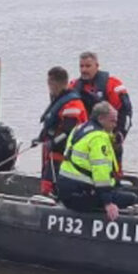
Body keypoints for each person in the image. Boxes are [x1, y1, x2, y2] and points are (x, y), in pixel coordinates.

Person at [57, 102, 138, 222]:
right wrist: (108, 203)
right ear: (101, 119)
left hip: (66, 190)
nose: (115, 125)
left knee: (121, 190)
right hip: (81, 193)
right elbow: (101, 174)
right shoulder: (99, 138)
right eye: (112, 121)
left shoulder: (79, 128)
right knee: (131, 198)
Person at [69, 51, 132, 170]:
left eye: (88, 66)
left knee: (111, 171)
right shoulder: (73, 86)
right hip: (84, 140)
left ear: (97, 66)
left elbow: (126, 113)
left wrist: (120, 134)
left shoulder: (112, 84)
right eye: (81, 66)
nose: (84, 70)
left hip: (108, 139)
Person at [37, 66, 88, 195]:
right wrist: (41, 138)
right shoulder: (61, 100)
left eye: (49, 83)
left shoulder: (72, 104)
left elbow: (67, 132)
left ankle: (50, 203)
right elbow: (52, 125)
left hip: (64, 152)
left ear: (53, 83)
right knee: (47, 179)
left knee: (49, 184)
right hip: (56, 150)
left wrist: (53, 143)